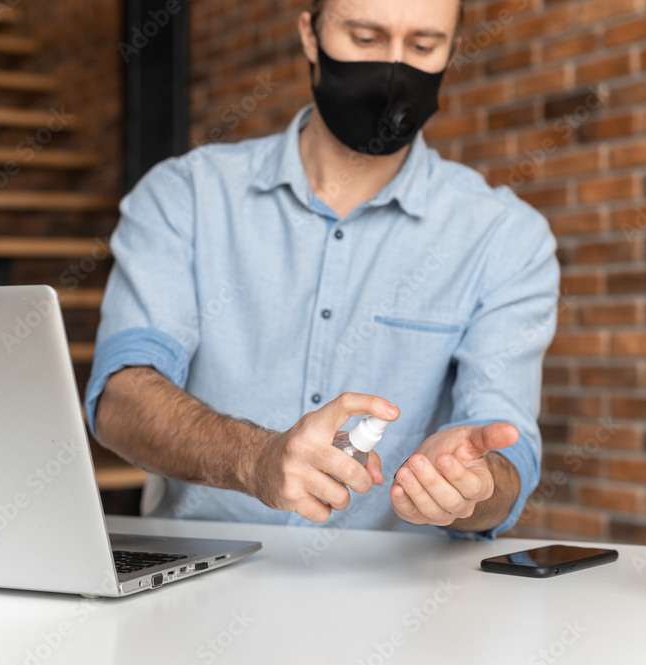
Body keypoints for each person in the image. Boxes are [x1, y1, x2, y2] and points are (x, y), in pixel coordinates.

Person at [85, 0, 559, 539]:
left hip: (401, 601)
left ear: (450, 50)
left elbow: (506, 447)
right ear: (310, 35)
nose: (393, 69)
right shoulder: (185, 197)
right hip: (201, 584)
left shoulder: (505, 237)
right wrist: (256, 459)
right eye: (365, 37)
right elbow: (122, 396)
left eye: (423, 47)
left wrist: (471, 485)